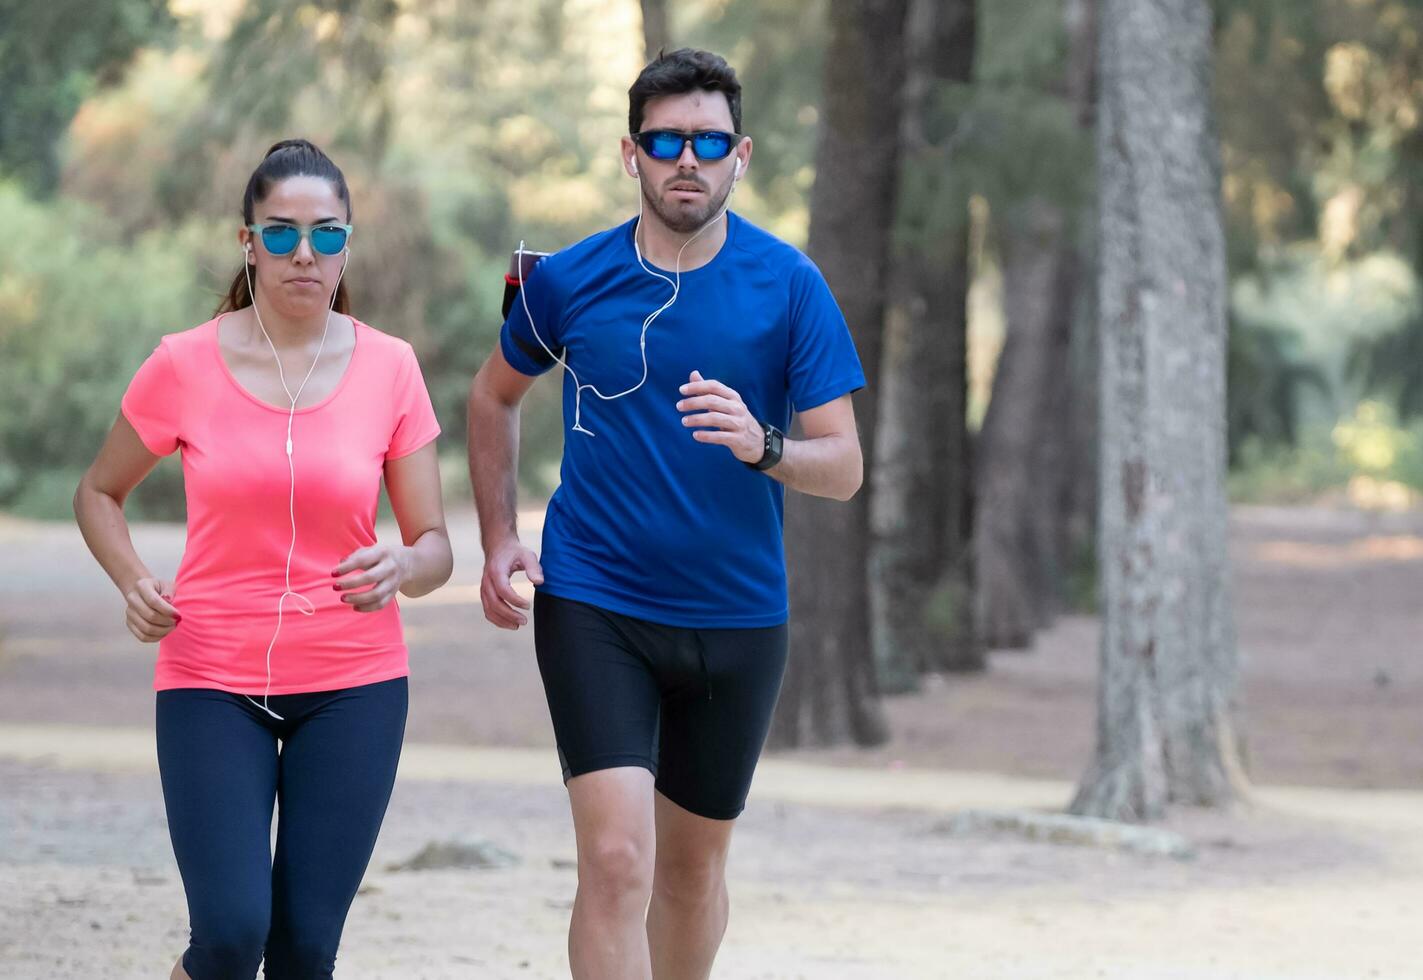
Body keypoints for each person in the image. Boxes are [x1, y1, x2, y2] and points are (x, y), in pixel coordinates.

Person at [467, 48, 865, 980]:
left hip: (736, 618)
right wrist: (497, 539)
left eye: (709, 140)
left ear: (743, 155)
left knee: (691, 875)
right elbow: (492, 398)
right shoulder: (568, 280)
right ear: (631, 153)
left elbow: (843, 467)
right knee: (616, 862)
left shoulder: (790, 284)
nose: (688, 158)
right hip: (597, 604)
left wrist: (763, 446)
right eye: (666, 140)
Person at [73, 138, 452, 980]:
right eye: (279, 234)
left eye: (324, 234)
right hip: (211, 677)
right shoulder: (183, 363)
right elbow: (98, 493)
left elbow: (435, 548)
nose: (303, 254)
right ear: (248, 244)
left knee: (306, 949)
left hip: (354, 682)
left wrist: (401, 566)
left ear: (348, 243)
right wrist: (134, 581)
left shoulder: (390, 367)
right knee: (233, 937)